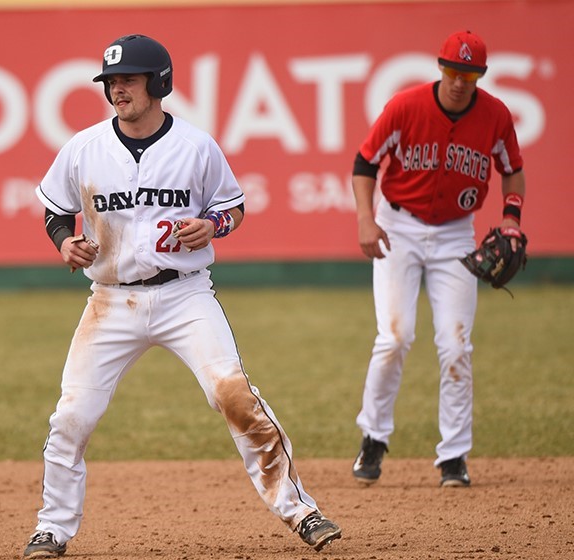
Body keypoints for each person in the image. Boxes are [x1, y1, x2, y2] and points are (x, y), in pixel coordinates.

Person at [23, 34, 341, 558]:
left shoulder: (195, 145)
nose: (117, 90)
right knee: (72, 416)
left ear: (159, 82)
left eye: (128, 80)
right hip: (111, 301)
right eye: (111, 82)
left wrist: (213, 224)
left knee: (233, 394)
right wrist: (65, 243)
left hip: (185, 296)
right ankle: (51, 529)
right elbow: (56, 210)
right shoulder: (83, 147)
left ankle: (301, 511)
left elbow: (233, 206)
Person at [349, 30, 526, 488]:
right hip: (399, 227)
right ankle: (373, 436)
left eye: (469, 73)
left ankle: (454, 457)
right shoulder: (405, 107)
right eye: (452, 70)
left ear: (481, 76)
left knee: (455, 345)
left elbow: (513, 171)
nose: (459, 80)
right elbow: (365, 164)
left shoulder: (494, 116)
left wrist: (511, 220)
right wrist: (366, 221)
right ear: (440, 67)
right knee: (395, 336)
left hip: (454, 234)